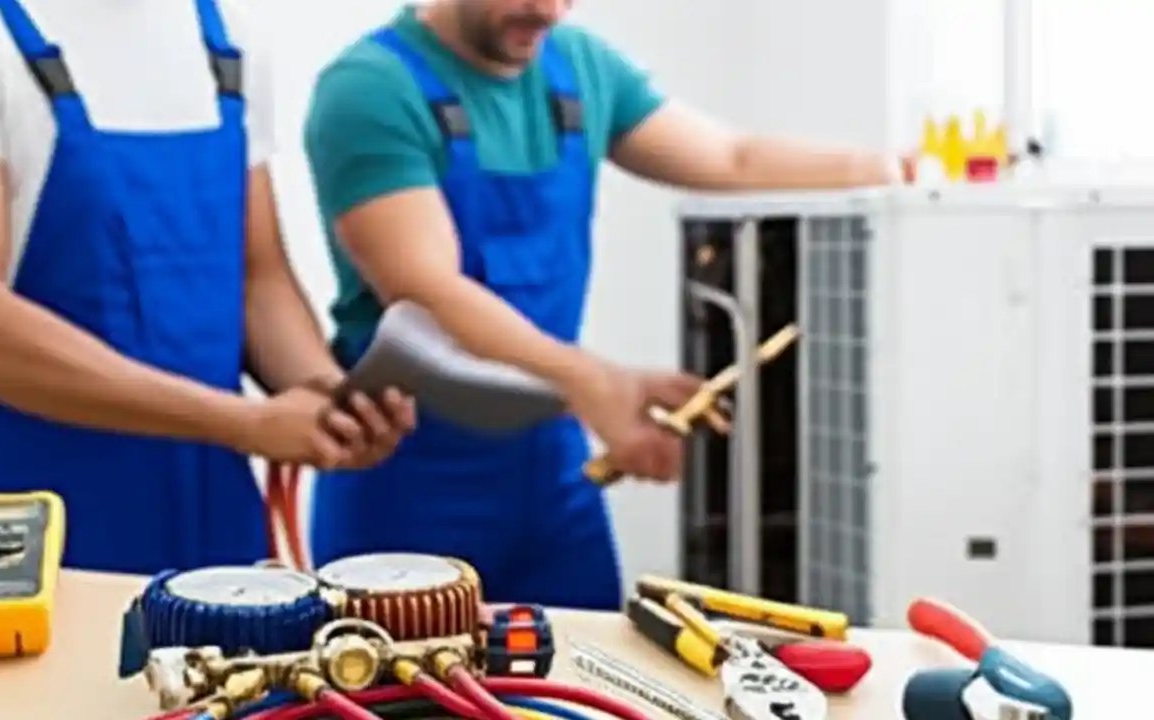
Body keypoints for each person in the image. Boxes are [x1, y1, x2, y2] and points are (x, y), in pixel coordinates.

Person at [302, 0, 907, 609]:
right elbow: (426, 292)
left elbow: (732, 159)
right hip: (406, 472)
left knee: (578, 689)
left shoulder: (578, 67)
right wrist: (590, 380)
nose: (547, 11)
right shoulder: (370, 90)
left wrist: (890, 170)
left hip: (553, 476)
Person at [0, 0, 416, 575]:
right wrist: (242, 422)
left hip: (215, 528)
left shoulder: (224, 36)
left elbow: (260, 278)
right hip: (19, 544)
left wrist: (328, 398)